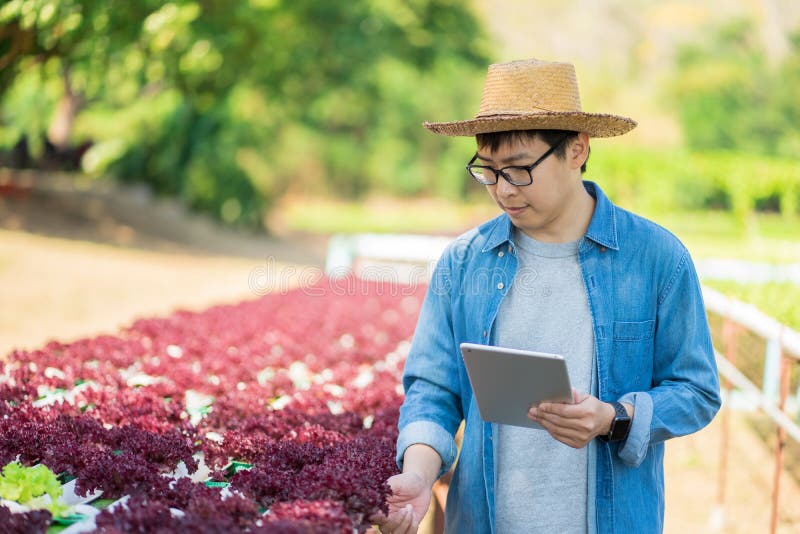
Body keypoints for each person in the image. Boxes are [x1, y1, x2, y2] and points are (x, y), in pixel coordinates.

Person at [373, 58, 721, 534]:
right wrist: (417, 474)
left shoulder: (657, 259)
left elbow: (696, 390)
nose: (502, 191)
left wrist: (614, 417)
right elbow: (433, 391)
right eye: (488, 171)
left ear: (576, 149)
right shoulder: (464, 261)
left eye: (518, 170)